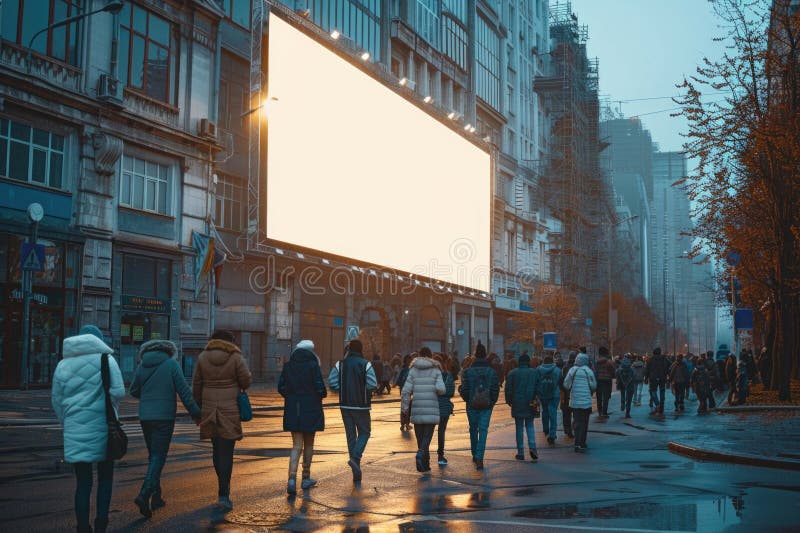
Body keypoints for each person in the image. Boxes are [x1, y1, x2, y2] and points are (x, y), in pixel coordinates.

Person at [52, 326, 124, 533]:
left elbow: (57, 400)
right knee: (105, 479)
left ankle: (83, 527)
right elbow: (118, 392)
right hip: (104, 428)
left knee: (83, 483)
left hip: (75, 428)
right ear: (98, 340)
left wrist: (66, 422)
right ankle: (102, 523)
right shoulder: (107, 361)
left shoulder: (63, 365)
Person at [129, 339, 201, 517]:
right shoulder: (171, 365)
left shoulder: (142, 365)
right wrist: (195, 412)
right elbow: (183, 390)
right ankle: (145, 493)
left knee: (153, 456)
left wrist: (148, 394)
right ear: (169, 351)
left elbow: (133, 391)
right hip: (164, 417)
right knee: (158, 456)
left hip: (145, 417)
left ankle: (157, 496)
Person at [193, 330, 252, 511]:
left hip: (210, 409)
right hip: (229, 410)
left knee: (216, 449)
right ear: (230, 341)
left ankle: (222, 487)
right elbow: (246, 381)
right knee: (227, 451)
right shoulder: (235, 357)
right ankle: (223, 494)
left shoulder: (203, 357)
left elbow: (196, 384)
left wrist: (199, 407)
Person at [278, 340, 327, 495]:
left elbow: (281, 387)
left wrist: (292, 397)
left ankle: (291, 478)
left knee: (296, 446)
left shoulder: (288, 366)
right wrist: (316, 395)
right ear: (311, 351)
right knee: (309, 444)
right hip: (311, 409)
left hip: (293, 409)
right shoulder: (313, 366)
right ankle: (306, 478)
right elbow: (321, 389)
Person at [328, 339, 377, 482]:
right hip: (361, 405)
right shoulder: (365, 364)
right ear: (361, 350)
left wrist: (342, 390)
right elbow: (372, 383)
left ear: (349, 349)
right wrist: (364, 392)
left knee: (351, 436)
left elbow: (332, 383)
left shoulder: (340, 364)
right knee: (365, 432)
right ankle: (355, 458)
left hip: (345, 405)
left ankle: (356, 470)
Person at [401, 347, 445, 472]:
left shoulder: (413, 370)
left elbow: (405, 391)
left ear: (419, 356)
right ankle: (421, 455)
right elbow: (442, 389)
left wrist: (404, 408)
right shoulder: (436, 370)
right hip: (431, 409)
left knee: (420, 438)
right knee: (427, 437)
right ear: (430, 356)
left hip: (417, 408)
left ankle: (425, 465)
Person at [458, 342, 500, 470]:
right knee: (483, 430)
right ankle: (480, 456)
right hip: (487, 405)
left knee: (473, 429)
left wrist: (468, 399)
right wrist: (492, 401)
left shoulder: (468, 372)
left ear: (475, 355)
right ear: (485, 355)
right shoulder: (491, 372)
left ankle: (474, 453)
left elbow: (464, 389)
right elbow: (495, 389)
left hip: (472, 405)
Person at [505, 353, 539, 461]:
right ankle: (533, 447)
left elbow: (508, 390)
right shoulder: (534, 373)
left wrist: (509, 401)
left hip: (517, 402)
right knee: (530, 425)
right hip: (531, 402)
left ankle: (520, 452)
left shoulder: (512, 373)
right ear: (528, 362)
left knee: (519, 427)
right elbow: (538, 388)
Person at [563, 353, 596, 453]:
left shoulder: (572, 370)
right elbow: (594, 386)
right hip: (586, 402)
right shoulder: (588, 371)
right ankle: (582, 443)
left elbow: (566, 384)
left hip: (575, 401)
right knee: (585, 422)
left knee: (577, 421)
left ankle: (576, 443)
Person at [433, 354, 456, 465]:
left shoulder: (429, 376)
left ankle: (424, 455)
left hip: (431, 406)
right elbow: (451, 392)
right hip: (444, 407)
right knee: (441, 431)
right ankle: (440, 455)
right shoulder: (448, 376)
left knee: (428, 432)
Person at [534, 354, 562, 445]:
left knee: (545, 411)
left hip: (543, 394)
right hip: (554, 394)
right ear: (552, 361)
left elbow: (536, 382)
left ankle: (546, 430)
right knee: (553, 412)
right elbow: (560, 383)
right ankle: (552, 434)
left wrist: (537, 393)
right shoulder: (557, 370)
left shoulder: (538, 369)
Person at [645, 347, 669, 416]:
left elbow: (647, 370)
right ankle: (661, 406)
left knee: (653, 391)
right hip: (662, 378)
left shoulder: (650, 360)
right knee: (662, 391)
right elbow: (669, 366)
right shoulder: (664, 359)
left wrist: (646, 378)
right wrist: (667, 375)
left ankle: (657, 405)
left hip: (653, 378)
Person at [558, 351, 577, 438]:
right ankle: (573, 427)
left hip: (565, 393)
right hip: (575, 393)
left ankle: (567, 429)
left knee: (566, 412)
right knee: (576, 413)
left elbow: (561, 381)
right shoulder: (577, 368)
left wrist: (562, 390)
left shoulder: (564, 367)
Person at [594, 347, 615, 418]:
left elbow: (594, 371)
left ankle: (599, 412)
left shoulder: (596, 361)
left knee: (599, 397)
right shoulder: (609, 362)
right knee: (606, 397)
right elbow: (613, 371)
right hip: (607, 380)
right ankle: (604, 412)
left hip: (598, 380)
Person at [396, 353, 414, 431]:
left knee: (405, 407)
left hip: (407, 391)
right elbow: (399, 380)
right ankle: (405, 424)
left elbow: (399, 381)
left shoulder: (408, 370)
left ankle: (404, 424)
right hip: (405, 391)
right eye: (409, 360)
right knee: (406, 408)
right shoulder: (406, 370)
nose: (410, 362)